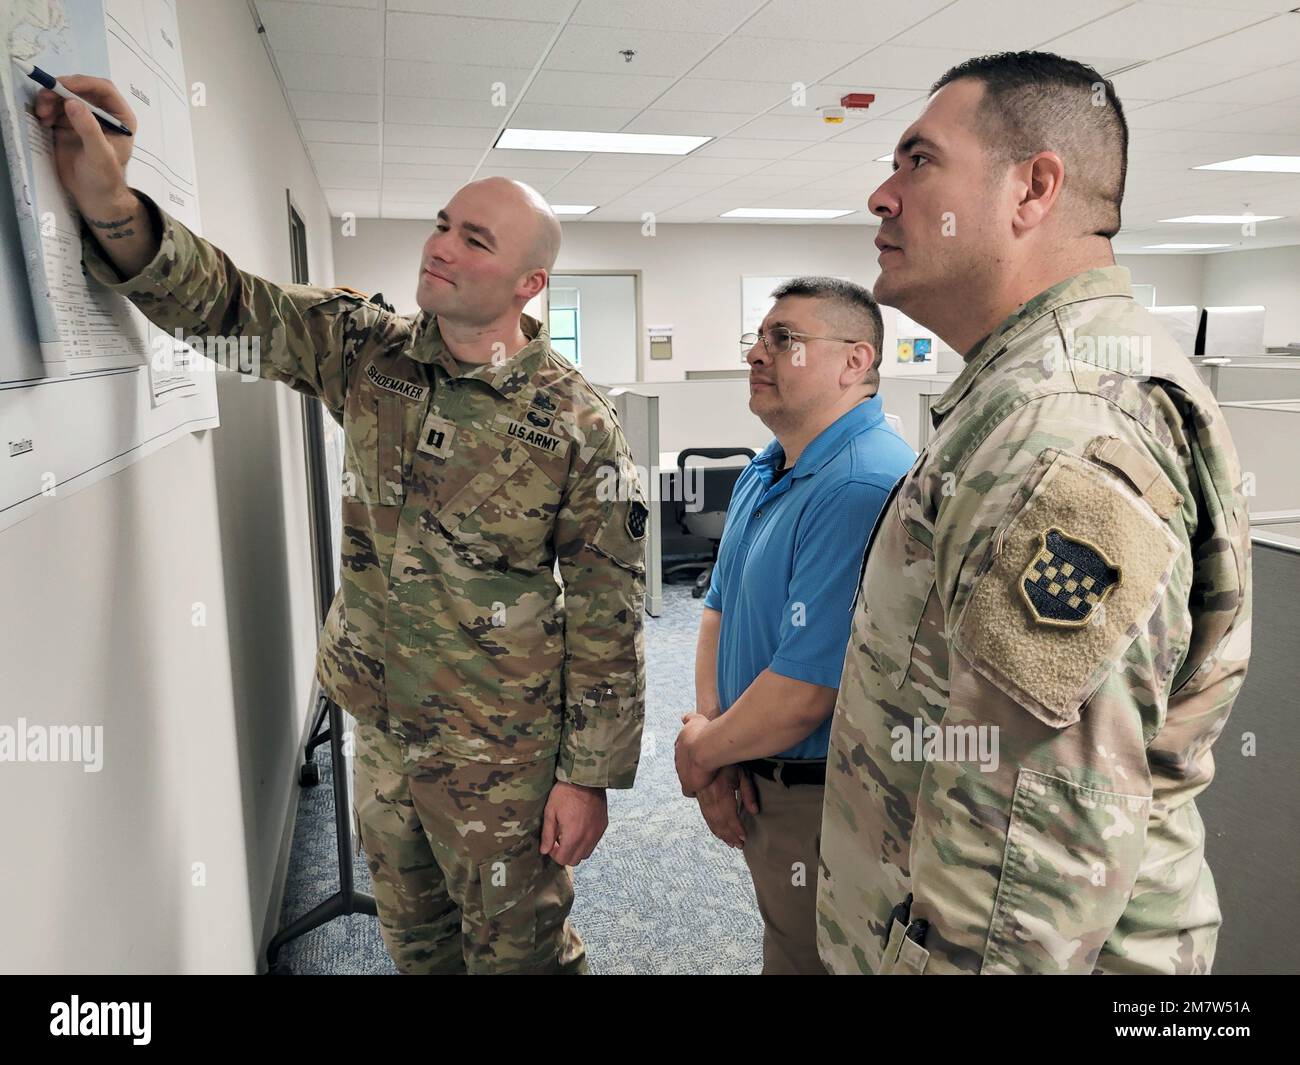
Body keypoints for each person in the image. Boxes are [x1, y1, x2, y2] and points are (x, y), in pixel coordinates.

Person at [41, 75, 648, 974]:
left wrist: (587, 773)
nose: (438, 247)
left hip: (501, 751)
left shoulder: (575, 422)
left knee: (519, 957)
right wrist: (113, 203)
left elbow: (609, 610)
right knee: (416, 945)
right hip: (383, 725)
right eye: (442, 223)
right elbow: (228, 308)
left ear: (530, 284)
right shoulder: (368, 349)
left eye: (471, 240)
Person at [817, 51, 1252, 975]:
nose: (881, 197)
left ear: (1033, 188)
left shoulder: (1060, 420)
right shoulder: (1031, 388)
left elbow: (1023, 870)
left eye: (917, 161)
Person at [675, 278, 915, 974]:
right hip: (756, 768)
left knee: (817, 958)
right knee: (788, 942)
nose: (758, 352)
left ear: (853, 362)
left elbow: (807, 691)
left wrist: (702, 753)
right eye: (758, 336)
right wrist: (714, 741)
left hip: (822, 794)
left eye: (785, 339)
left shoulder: (860, 485)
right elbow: (717, 606)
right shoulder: (770, 464)